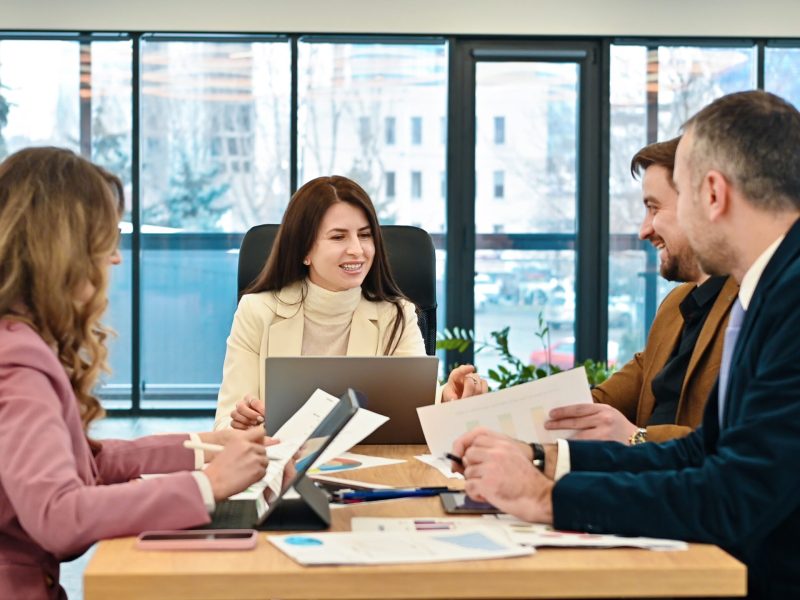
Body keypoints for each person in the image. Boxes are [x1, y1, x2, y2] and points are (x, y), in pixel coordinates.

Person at [452, 90, 800, 599]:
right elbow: (704, 451)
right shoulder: (769, 288)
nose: (644, 228)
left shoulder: (789, 299)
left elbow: (737, 494)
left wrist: (548, 499)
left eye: (673, 195)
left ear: (712, 193)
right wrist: (545, 461)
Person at [0, 147, 275, 599]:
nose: (115, 260)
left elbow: (89, 464)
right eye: (103, 242)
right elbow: (58, 515)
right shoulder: (18, 361)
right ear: (61, 247)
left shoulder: (18, 340)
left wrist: (205, 448)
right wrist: (209, 484)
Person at [216, 175, 485, 430]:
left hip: (369, 471)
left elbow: (416, 408)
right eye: (338, 236)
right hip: (280, 468)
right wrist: (240, 425)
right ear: (304, 250)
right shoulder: (257, 311)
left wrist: (447, 400)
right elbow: (225, 425)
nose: (357, 249)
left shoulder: (396, 314)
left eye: (365, 235)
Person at [544, 138, 738, 444]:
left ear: (705, 201)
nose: (643, 230)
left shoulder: (753, 308)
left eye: (653, 208)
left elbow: (737, 446)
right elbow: (593, 403)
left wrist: (637, 438)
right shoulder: (676, 305)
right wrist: (477, 410)